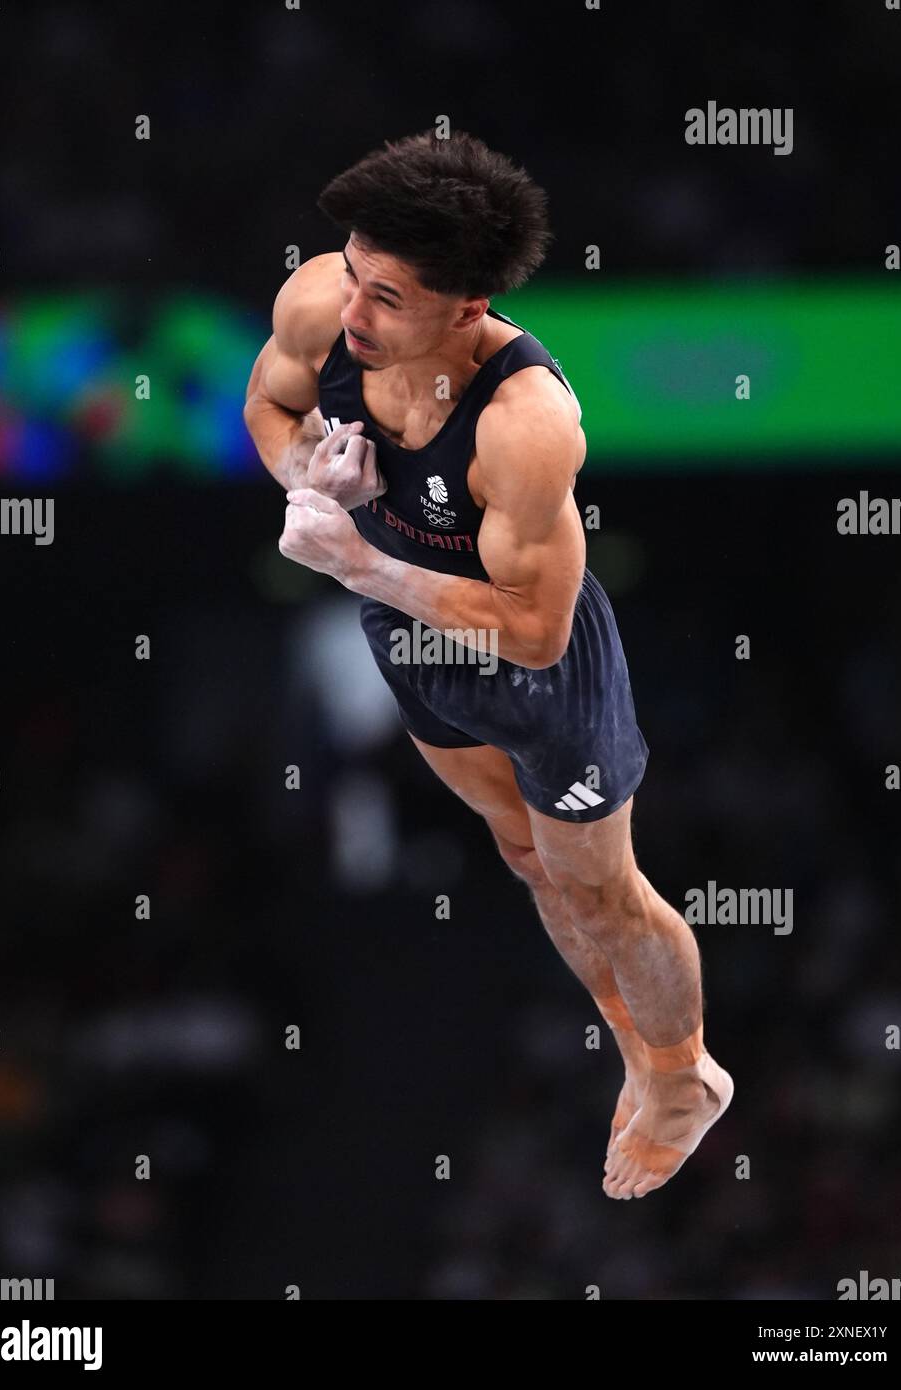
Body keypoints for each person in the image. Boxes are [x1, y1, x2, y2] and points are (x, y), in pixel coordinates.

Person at [243, 130, 732, 1199]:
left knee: (599, 891)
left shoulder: (524, 422)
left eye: (388, 298)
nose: (353, 312)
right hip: (408, 632)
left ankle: (680, 1073)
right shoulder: (320, 302)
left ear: (465, 308)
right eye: (353, 273)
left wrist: (361, 555)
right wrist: (305, 477)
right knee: (521, 854)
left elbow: (533, 631)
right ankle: (632, 1043)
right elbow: (269, 405)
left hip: (536, 670)